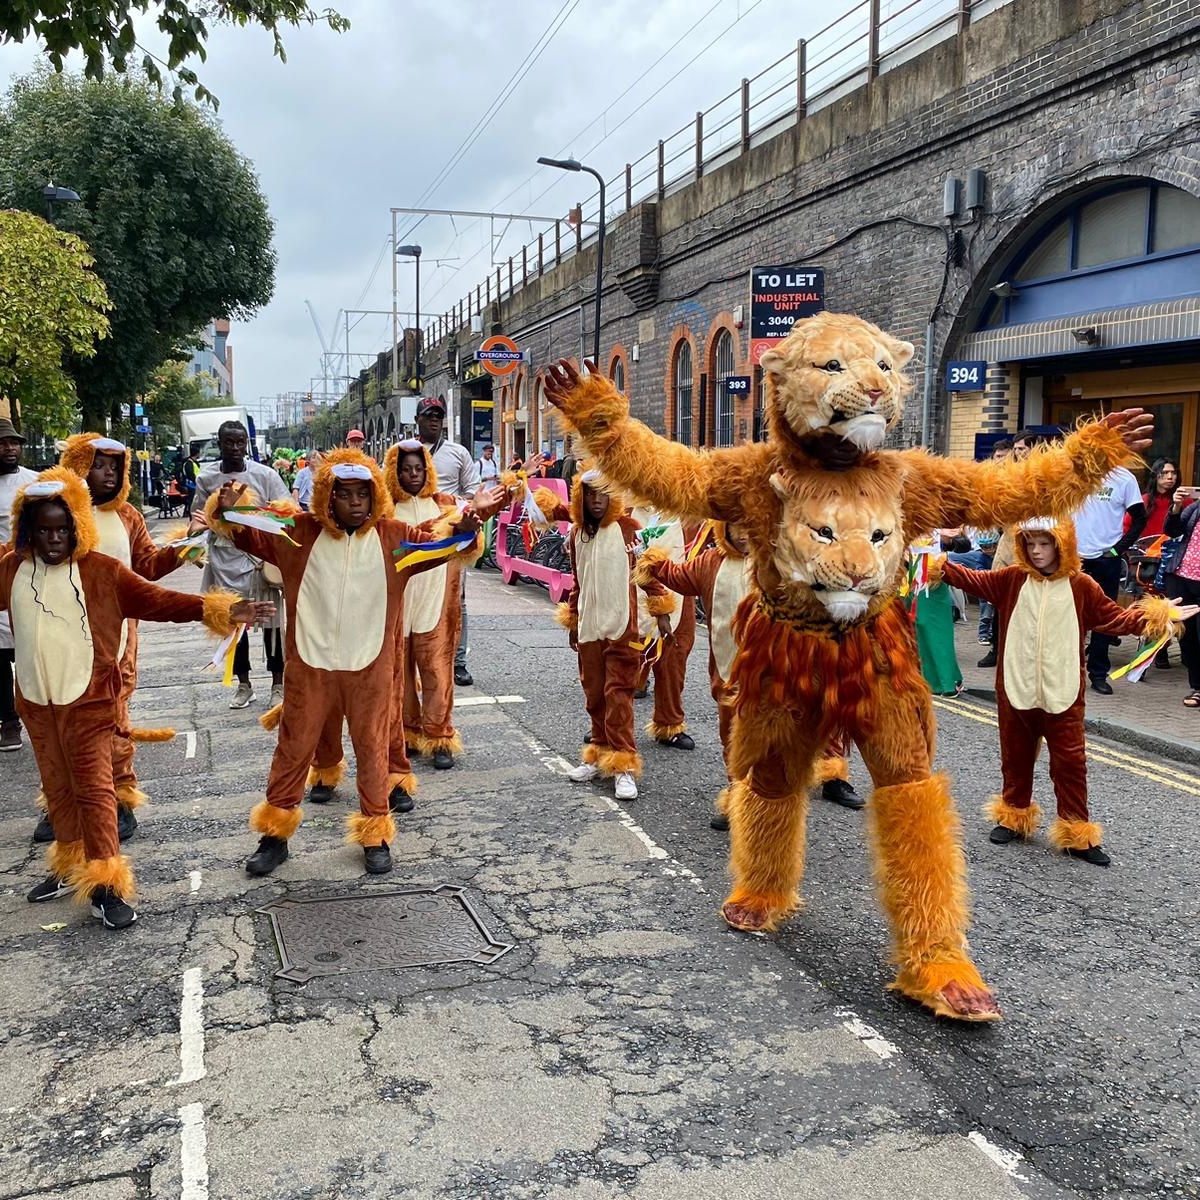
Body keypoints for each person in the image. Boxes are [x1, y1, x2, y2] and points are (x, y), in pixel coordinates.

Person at [0, 469, 269, 927]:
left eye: (62, 529)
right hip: (36, 703)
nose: (52, 539)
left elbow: (157, 600)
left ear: (77, 528)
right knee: (57, 788)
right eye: (42, 530)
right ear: (26, 530)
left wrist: (223, 609)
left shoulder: (102, 572)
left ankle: (106, 882)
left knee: (95, 790)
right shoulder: (10, 568)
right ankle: (69, 865)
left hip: (88, 703)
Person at [207, 449, 483, 877]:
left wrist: (464, 533)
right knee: (293, 749)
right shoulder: (298, 533)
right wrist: (229, 509)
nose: (355, 503)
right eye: (344, 494)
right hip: (310, 669)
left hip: (369, 668)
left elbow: (440, 548)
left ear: (375, 496)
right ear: (326, 497)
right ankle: (275, 837)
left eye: (363, 494)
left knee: (372, 750)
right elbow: (247, 533)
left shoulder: (394, 538)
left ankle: (375, 833)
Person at [940, 519, 1192, 867]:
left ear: (1062, 546)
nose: (1037, 552)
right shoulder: (1011, 579)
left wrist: (1159, 615)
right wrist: (928, 559)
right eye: (1031, 545)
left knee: (1071, 765)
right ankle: (1013, 815)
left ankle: (1076, 834)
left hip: (1064, 693)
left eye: (1045, 545)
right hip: (1016, 688)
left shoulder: (1081, 585)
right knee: (1014, 759)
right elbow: (968, 578)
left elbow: (1115, 618)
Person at [38, 435, 185, 844]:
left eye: (115, 466)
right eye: (99, 464)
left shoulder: (128, 516)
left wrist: (182, 548)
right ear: (78, 464)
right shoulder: (54, 513)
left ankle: (119, 798)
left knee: (114, 721)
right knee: (58, 723)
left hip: (116, 641)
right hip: (59, 637)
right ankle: (60, 803)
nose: (108, 473)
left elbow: (148, 567)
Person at [558, 470, 675, 802]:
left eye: (604, 494)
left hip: (623, 628)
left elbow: (647, 573)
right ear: (581, 498)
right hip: (590, 630)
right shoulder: (577, 535)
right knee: (594, 695)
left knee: (619, 695)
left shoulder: (629, 529)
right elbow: (578, 582)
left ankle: (623, 764)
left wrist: (661, 610)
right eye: (591, 495)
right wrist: (574, 620)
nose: (597, 501)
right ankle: (598, 753)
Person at [386, 440, 503, 771]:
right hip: (398, 608)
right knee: (400, 676)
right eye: (405, 469)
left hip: (436, 605)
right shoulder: (384, 508)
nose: (412, 475)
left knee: (437, 672)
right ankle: (407, 732)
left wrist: (474, 519)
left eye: (418, 469)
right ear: (394, 472)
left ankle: (439, 734)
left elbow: (471, 531)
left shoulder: (445, 503)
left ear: (428, 470)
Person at [189, 421, 289, 710]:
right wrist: (193, 545)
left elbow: (285, 511)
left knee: (271, 623)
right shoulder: (207, 478)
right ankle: (244, 684)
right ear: (219, 443)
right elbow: (198, 517)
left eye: (239, 442)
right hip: (223, 560)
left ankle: (278, 684)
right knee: (234, 624)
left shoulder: (265, 475)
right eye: (228, 442)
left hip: (258, 561)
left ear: (247, 443)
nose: (234, 448)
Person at [416, 396, 481, 687]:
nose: (434, 420)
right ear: (417, 420)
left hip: (451, 536)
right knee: (414, 595)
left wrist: (451, 508)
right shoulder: (404, 452)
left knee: (457, 599)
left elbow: (473, 491)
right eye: (428, 415)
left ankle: (458, 662)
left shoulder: (458, 453)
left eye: (438, 416)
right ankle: (415, 658)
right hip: (416, 536)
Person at [1072, 465, 1147, 694]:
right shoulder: (1073, 471)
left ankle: (1097, 674)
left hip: (1106, 559)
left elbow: (1139, 519)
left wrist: (1117, 550)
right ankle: (1069, 674)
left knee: (1104, 619)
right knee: (1070, 616)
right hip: (1074, 558)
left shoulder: (1124, 478)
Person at [0, 415, 38, 753]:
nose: (10, 448)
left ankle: (43, 714)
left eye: (14, 442)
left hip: (33, 578)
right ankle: (9, 721)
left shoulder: (35, 484)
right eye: (3, 443)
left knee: (34, 652)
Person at [1164, 482, 1200, 708]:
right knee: (1186, 637)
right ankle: (1197, 686)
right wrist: (1176, 506)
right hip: (1181, 578)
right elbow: (1172, 530)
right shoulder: (1195, 507)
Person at [181, 446, 201, 517]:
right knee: (192, 502)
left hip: (195, 485)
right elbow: (191, 475)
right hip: (191, 485)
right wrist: (197, 481)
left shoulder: (194, 462)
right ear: (196, 453)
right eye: (199, 453)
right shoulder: (189, 463)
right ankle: (192, 516)